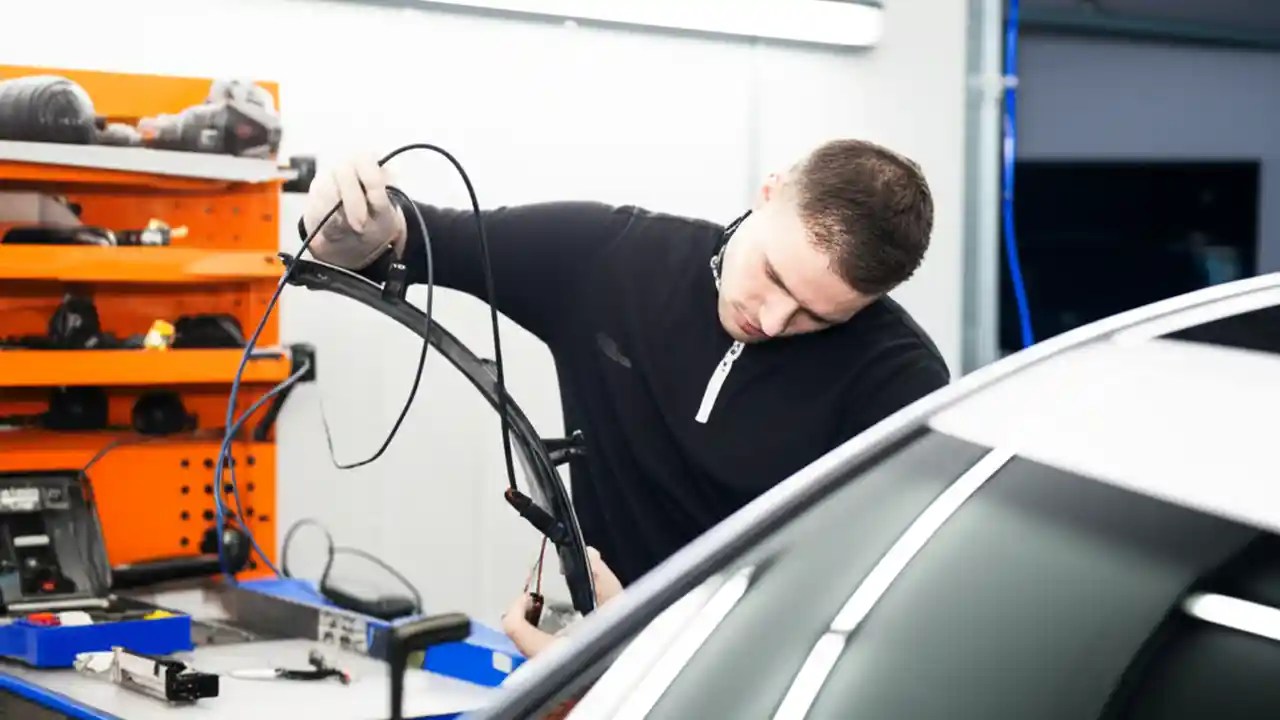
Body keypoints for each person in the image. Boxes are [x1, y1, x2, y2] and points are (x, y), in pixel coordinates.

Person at [302, 138, 950, 657]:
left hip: (757, 682)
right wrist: (350, 230)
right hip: (591, 656)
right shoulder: (613, 260)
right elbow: (419, 242)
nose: (774, 320)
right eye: (773, 275)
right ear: (770, 193)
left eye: (818, 315)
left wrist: (643, 648)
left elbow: (868, 610)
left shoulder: (899, 382)